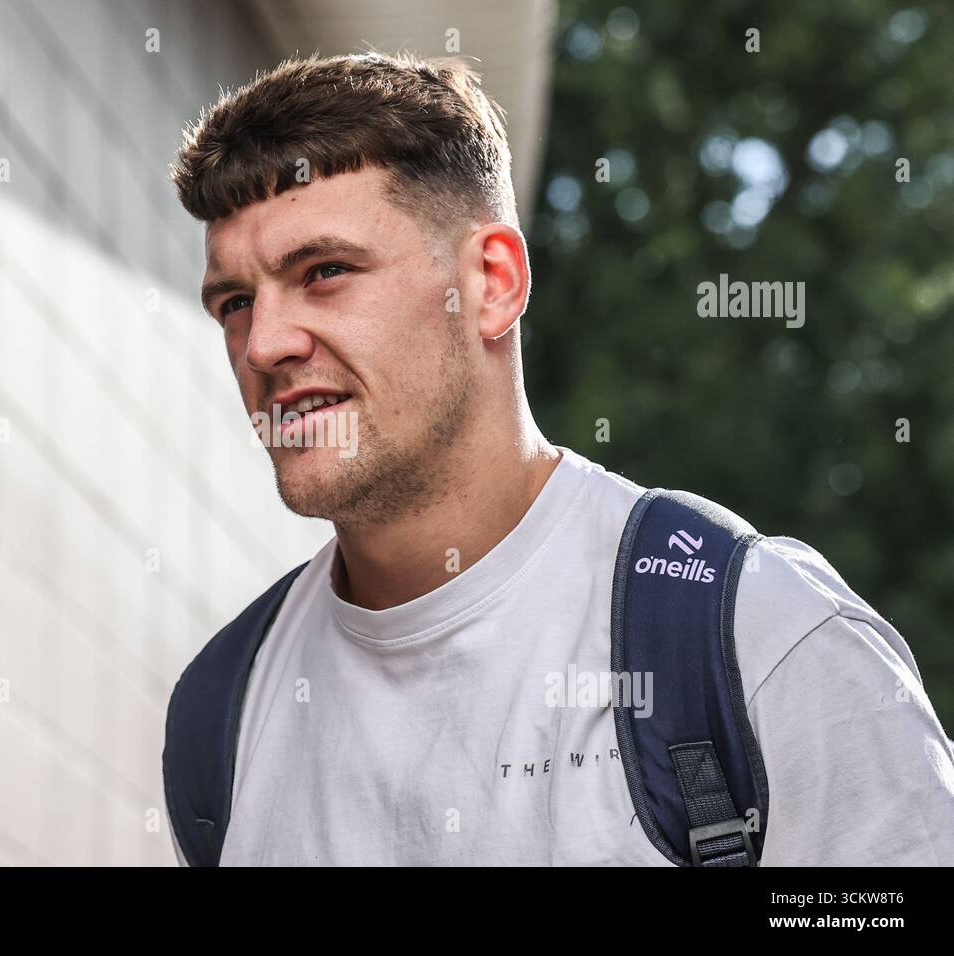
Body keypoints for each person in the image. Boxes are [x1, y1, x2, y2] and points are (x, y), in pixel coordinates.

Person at [163, 51, 954, 865]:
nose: (264, 345)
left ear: (493, 283)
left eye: (325, 271)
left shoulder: (754, 636)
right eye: (236, 302)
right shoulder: (221, 710)